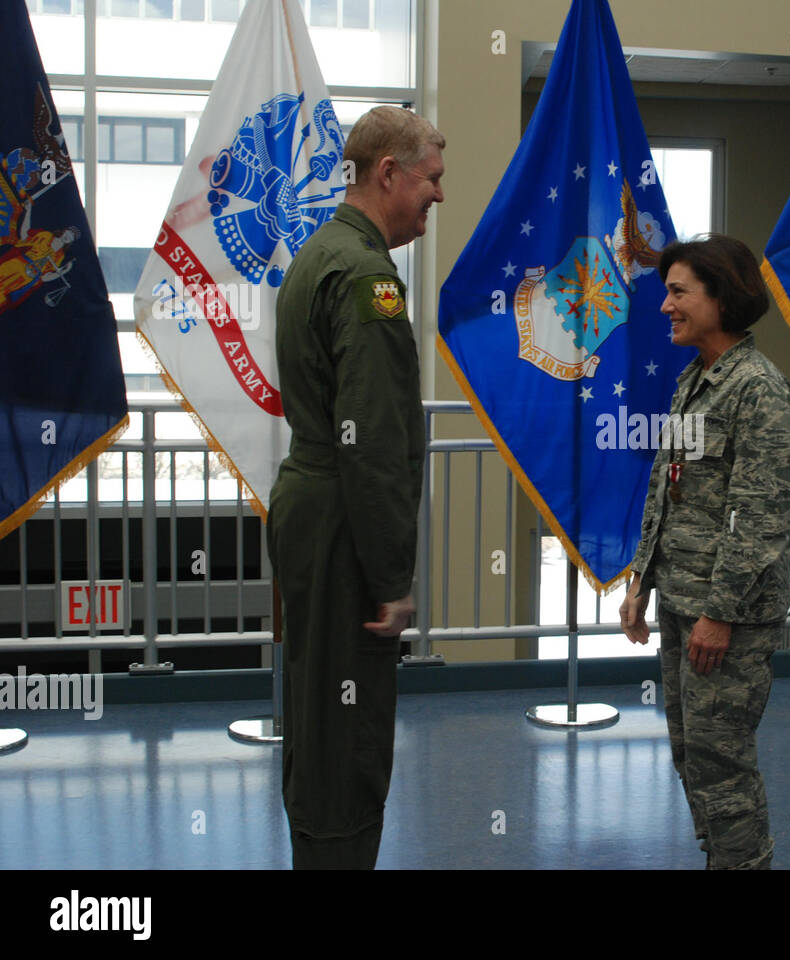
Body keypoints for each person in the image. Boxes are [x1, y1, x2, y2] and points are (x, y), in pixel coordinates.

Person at [266, 106, 444, 869]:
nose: (438, 195)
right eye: (431, 179)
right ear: (388, 173)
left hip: (316, 507)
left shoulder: (322, 251)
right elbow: (371, 440)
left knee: (316, 708)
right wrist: (392, 579)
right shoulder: (369, 275)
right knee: (347, 726)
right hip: (344, 522)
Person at [620, 234, 790, 870]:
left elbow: (759, 516)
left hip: (726, 618)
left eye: (678, 292)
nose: (665, 306)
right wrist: (641, 579)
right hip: (684, 604)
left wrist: (720, 613)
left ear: (721, 298)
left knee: (721, 761)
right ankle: (721, 860)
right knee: (690, 752)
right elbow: (667, 487)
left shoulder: (758, 389)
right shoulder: (697, 380)